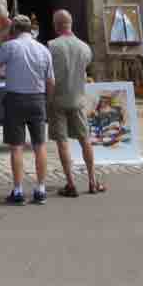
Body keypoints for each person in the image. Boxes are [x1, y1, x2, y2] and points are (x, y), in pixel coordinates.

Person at [0, 14, 54, 204]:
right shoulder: (43, 49)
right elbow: (51, 81)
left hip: (16, 99)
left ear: (13, 30)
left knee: (16, 147)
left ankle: (17, 190)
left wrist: (1, 41)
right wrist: (47, 101)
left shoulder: (10, 46)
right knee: (39, 145)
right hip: (37, 98)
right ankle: (40, 189)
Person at [48, 10, 102, 197]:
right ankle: (92, 180)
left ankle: (70, 182)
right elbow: (85, 69)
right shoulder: (85, 48)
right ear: (70, 23)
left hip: (58, 99)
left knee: (62, 141)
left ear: (56, 25)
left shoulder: (52, 46)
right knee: (84, 139)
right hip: (78, 98)